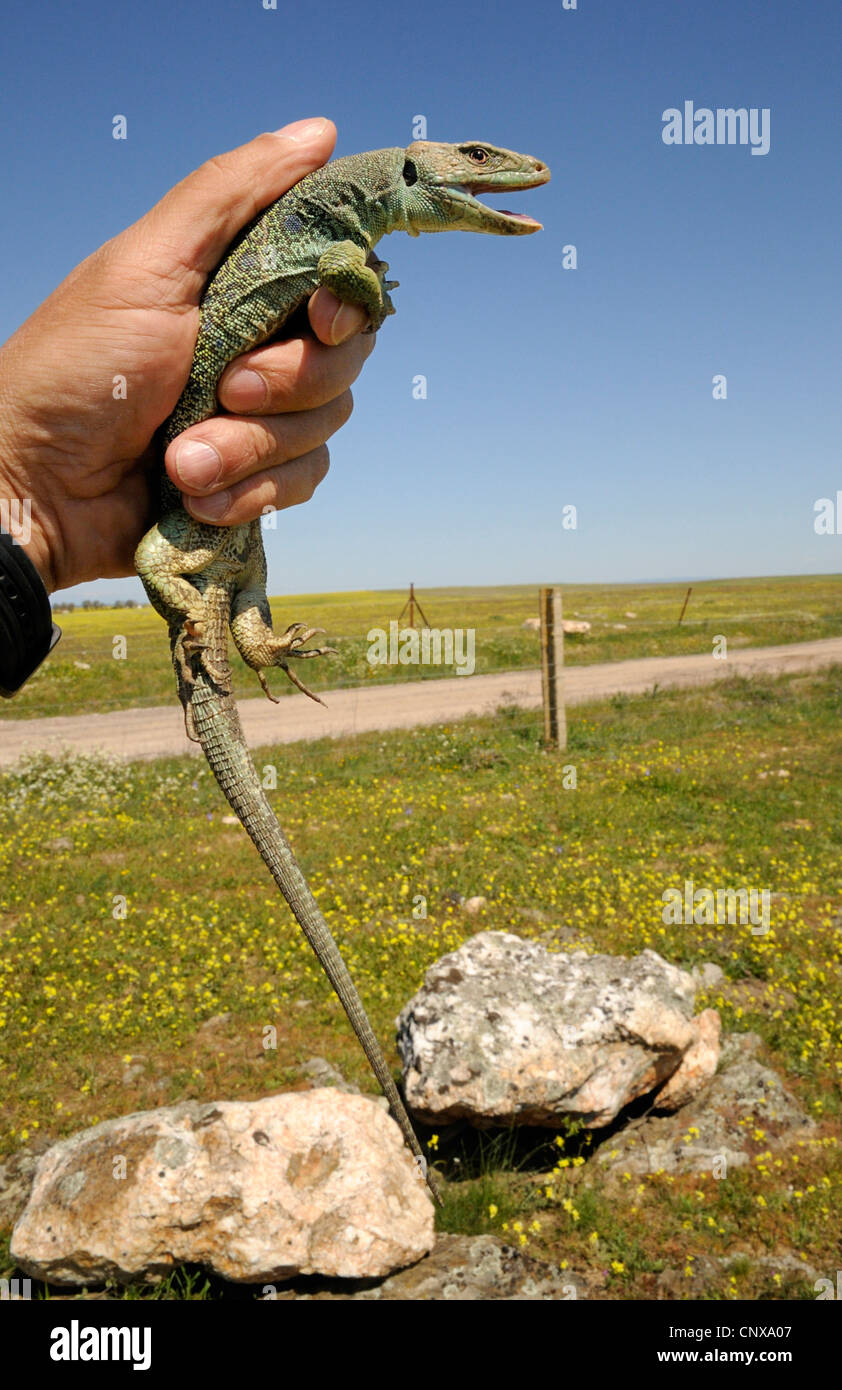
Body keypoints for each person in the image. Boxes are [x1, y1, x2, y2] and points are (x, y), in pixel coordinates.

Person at [0, 117, 369, 601]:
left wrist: (33, 505)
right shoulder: (334, 236)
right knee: (210, 548)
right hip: (170, 485)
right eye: (475, 155)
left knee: (235, 544)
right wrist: (22, 485)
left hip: (168, 491)